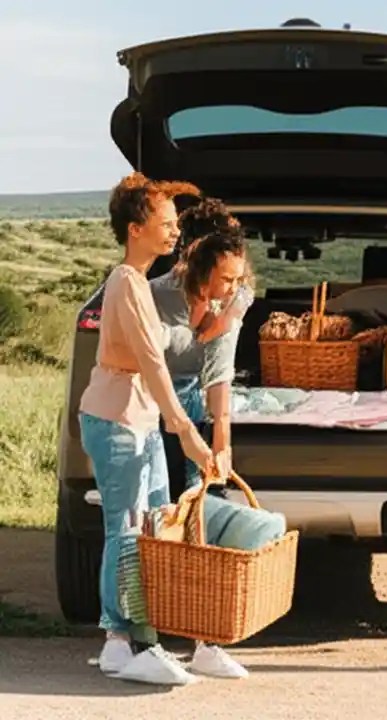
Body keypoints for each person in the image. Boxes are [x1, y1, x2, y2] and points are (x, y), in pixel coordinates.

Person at [77, 172, 213, 686]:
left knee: (154, 526)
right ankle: (122, 641)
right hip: (117, 421)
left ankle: (140, 636)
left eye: (176, 223)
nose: (175, 231)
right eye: (166, 223)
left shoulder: (138, 283)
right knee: (127, 531)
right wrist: (188, 432)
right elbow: (152, 363)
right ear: (136, 229)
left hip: (140, 420)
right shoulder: (125, 283)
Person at [150, 198, 255, 678]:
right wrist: (209, 324)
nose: (234, 283)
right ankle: (146, 635)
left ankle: (203, 639)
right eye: (225, 273)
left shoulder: (236, 293)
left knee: (196, 518)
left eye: (237, 274)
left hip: (192, 404)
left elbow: (219, 372)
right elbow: (156, 363)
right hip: (150, 407)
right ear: (194, 256)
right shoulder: (156, 294)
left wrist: (222, 439)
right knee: (155, 522)